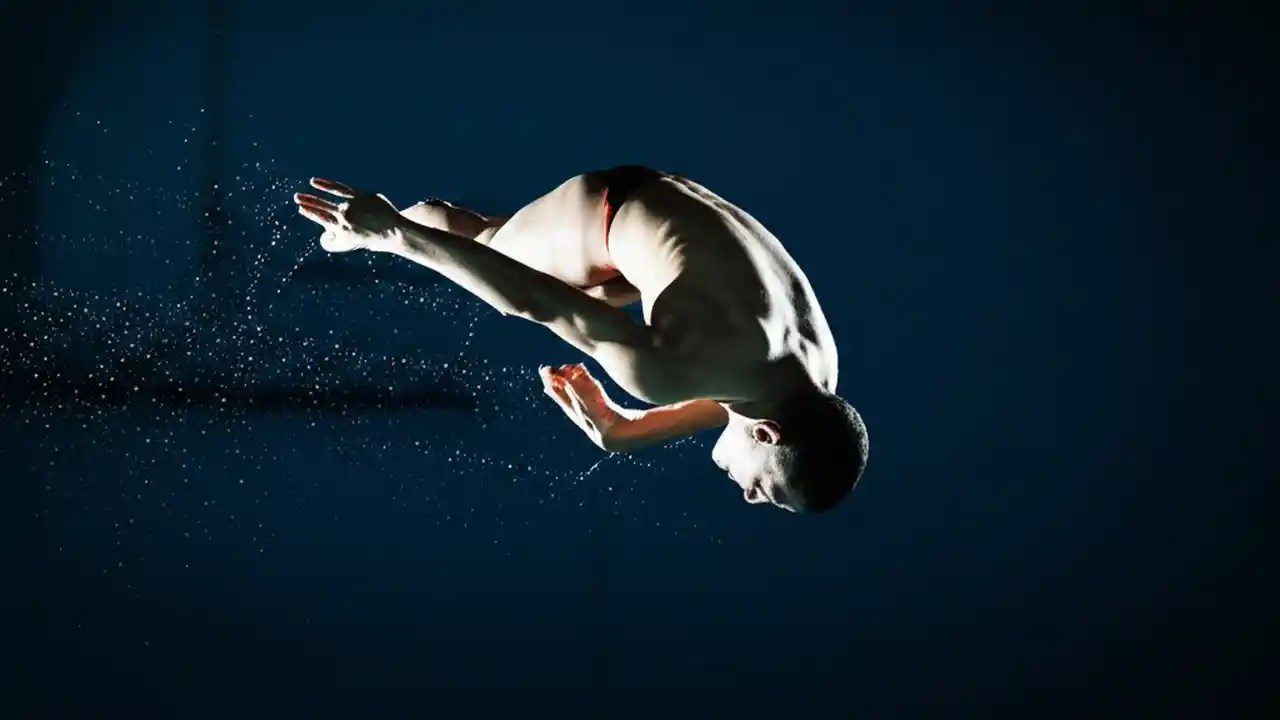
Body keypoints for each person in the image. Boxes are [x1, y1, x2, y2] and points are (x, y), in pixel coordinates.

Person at [293, 165, 868, 513]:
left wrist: (621, 433)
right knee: (492, 255)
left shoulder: (814, 379)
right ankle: (382, 221)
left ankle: (410, 228)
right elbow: (534, 302)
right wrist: (398, 237)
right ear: (767, 435)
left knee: (593, 303)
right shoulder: (677, 373)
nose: (748, 498)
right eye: (767, 492)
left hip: (657, 219)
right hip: (603, 213)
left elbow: (721, 405)